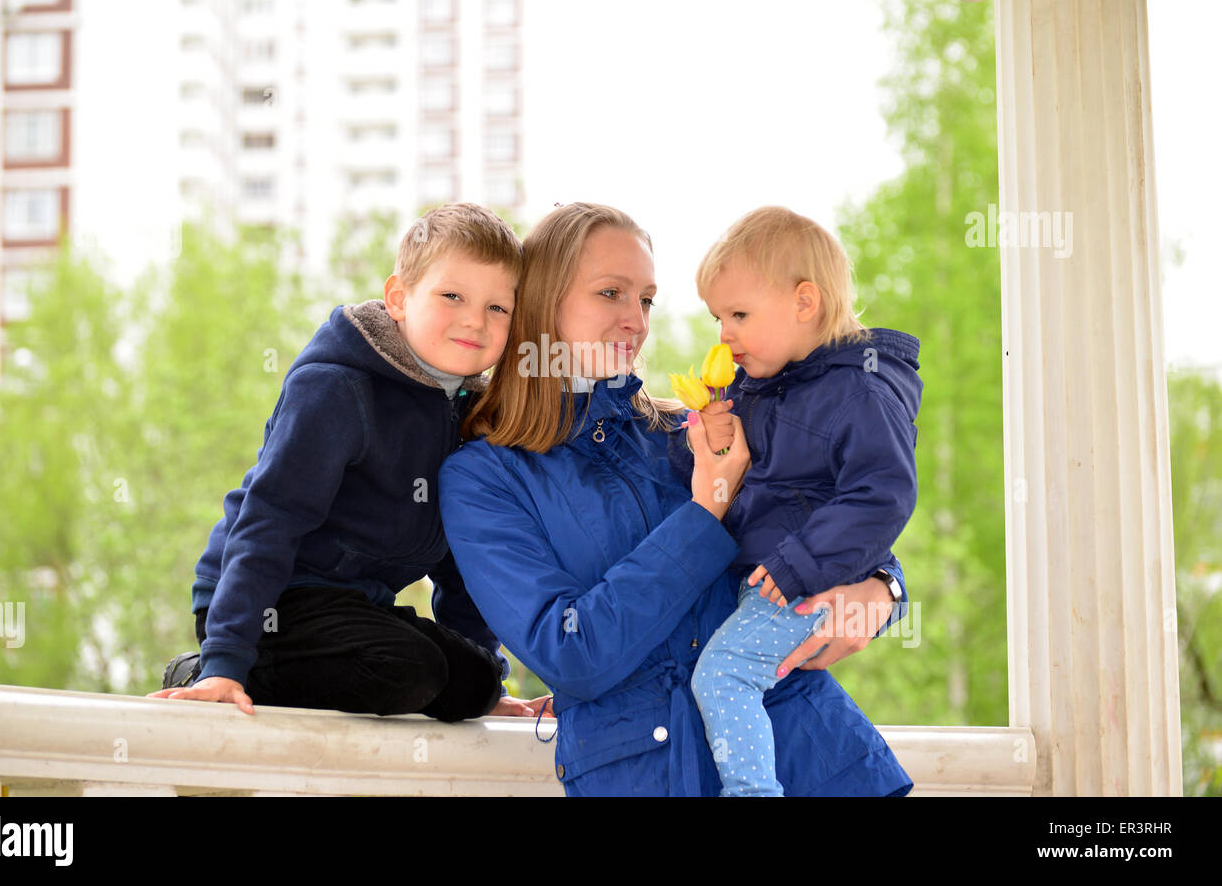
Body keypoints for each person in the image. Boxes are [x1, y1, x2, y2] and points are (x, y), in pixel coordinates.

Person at [438, 202, 913, 795]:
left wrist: (885, 589)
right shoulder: (485, 478)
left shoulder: (689, 432)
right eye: (611, 292)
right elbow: (574, 656)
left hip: (816, 759)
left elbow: (836, 502)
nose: (635, 320)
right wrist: (706, 509)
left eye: (645, 300)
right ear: (542, 301)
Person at [149, 203, 546, 722]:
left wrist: (486, 678)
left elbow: (462, 560)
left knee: (472, 686)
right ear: (399, 298)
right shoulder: (337, 387)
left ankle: (458, 679)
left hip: (356, 609)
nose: (476, 319)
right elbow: (270, 520)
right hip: (268, 599)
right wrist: (226, 661)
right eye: (453, 296)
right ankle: (201, 667)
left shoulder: (474, 413)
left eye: (499, 308)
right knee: (409, 670)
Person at [678, 206, 920, 796]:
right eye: (717, 317)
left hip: (805, 582)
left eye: (739, 314)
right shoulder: (767, 385)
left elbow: (883, 495)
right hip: (778, 577)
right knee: (738, 673)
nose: (724, 335)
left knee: (725, 674)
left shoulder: (859, 391)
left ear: (804, 303)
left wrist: (799, 567)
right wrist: (712, 441)